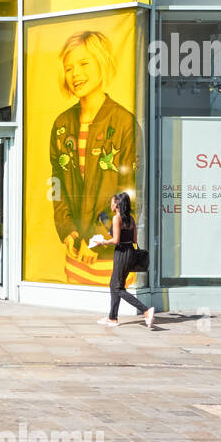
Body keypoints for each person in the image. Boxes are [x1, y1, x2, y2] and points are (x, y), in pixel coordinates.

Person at [48, 30, 140, 287]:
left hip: (109, 254)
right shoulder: (62, 124)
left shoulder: (123, 122)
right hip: (76, 255)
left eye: (84, 63)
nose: (75, 73)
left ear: (102, 62)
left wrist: (98, 239)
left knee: (115, 300)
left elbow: (131, 193)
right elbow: (56, 186)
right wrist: (68, 231)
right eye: (69, 68)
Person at [93, 192, 154, 329]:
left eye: (113, 202)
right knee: (114, 284)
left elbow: (115, 240)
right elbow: (134, 240)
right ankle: (112, 318)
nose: (111, 204)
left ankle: (145, 310)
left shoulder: (116, 218)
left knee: (117, 287)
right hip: (130, 253)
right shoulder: (131, 219)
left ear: (117, 204)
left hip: (121, 253)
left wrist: (102, 242)